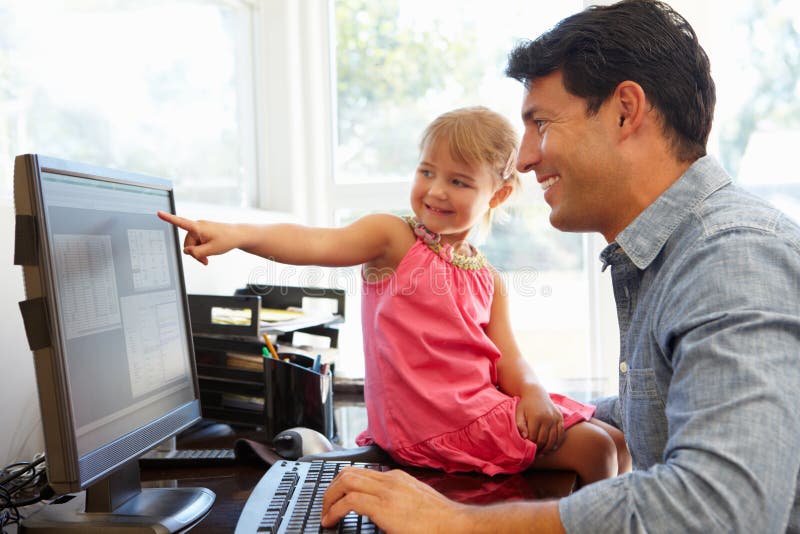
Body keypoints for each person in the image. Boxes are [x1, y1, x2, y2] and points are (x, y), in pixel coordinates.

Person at [320, 1, 800, 532]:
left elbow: (722, 510)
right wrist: (525, 407)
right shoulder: (683, 253)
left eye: (541, 124)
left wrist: (455, 522)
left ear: (625, 111)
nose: (524, 158)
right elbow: (666, 402)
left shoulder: (731, 258)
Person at [158, 106, 629, 483]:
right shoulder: (393, 239)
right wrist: (238, 234)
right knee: (597, 448)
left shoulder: (488, 277)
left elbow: (509, 358)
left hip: (474, 409)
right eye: (427, 172)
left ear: (498, 195)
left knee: (619, 440)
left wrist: (530, 391)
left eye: (459, 181)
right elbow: (314, 242)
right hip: (430, 425)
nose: (435, 191)